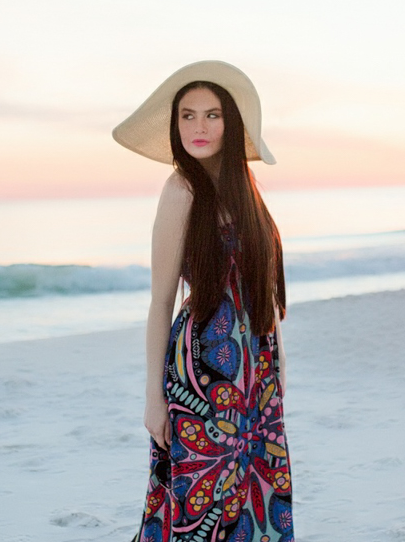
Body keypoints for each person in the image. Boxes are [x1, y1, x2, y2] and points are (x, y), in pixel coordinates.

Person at [113, 60, 293, 542]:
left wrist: (278, 364)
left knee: (254, 490)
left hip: (254, 365)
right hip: (200, 369)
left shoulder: (246, 190)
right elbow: (161, 302)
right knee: (203, 497)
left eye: (212, 115)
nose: (199, 127)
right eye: (187, 115)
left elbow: (263, 288)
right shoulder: (181, 190)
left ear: (230, 123)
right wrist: (153, 398)